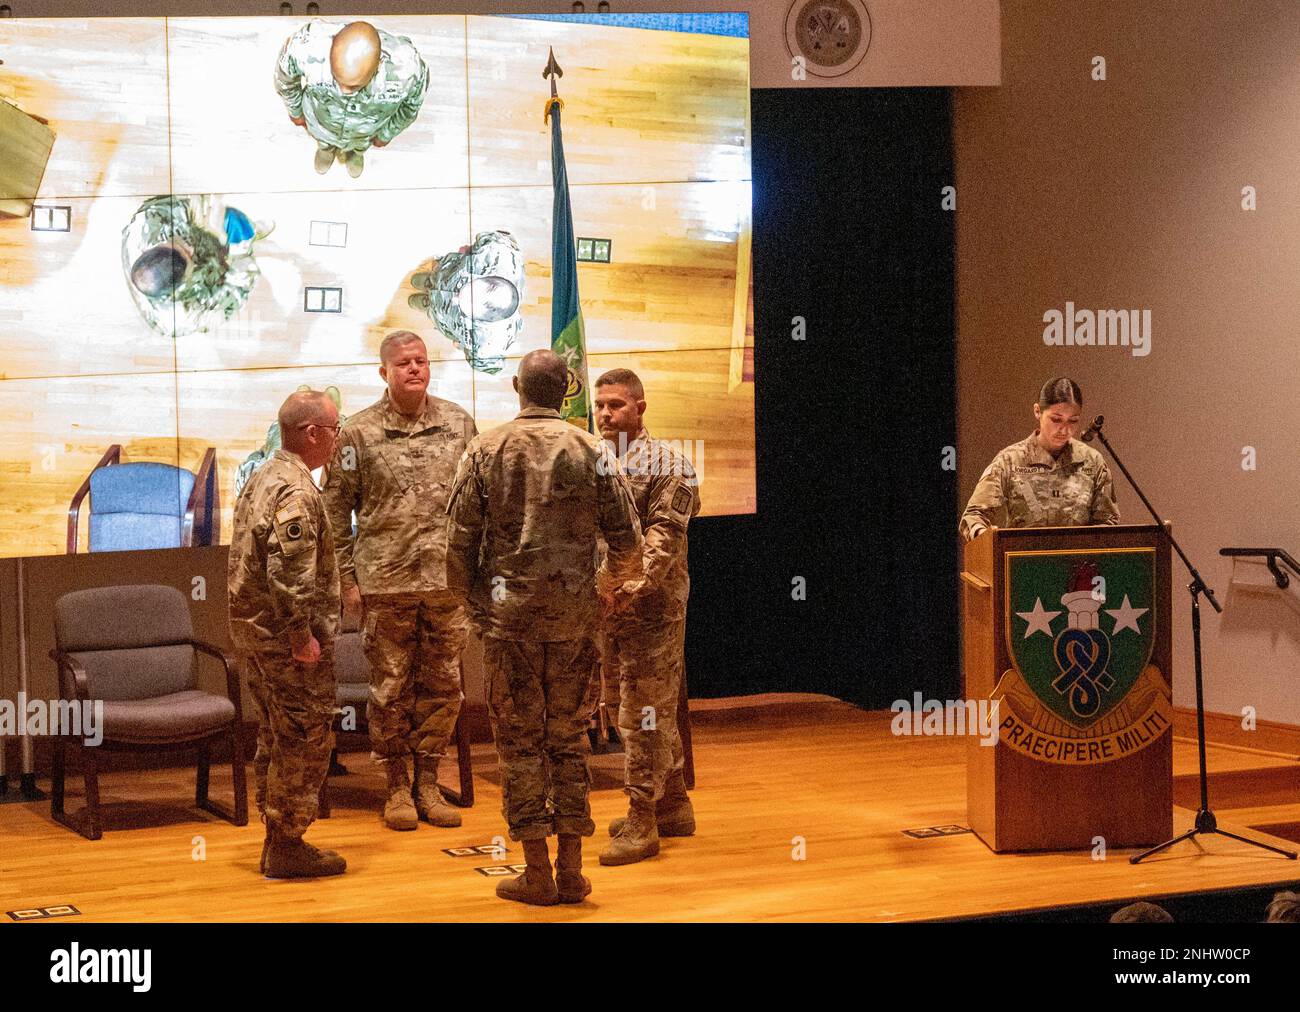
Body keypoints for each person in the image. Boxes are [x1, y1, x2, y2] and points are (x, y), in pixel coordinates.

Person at [445, 349, 643, 905]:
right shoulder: (592, 450)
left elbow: (457, 548)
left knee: (520, 746)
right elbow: (629, 542)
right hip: (575, 624)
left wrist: (477, 609)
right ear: (571, 388)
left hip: (510, 627)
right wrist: (603, 593)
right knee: (569, 742)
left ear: (515, 386)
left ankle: (536, 873)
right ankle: (573, 871)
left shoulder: (485, 449)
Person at [321, 331, 477, 831]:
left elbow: (478, 503)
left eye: (422, 361)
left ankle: (428, 784)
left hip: (446, 584)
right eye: (404, 363)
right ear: (383, 372)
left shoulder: (458, 423)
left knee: (443, 687)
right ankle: (395, 788)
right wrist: (347, 579)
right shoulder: (358, 433)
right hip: (384, 585)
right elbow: (334, 510)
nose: (416, 369)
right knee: (390, 690)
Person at [228, 390, 344, 879]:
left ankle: (277, 837)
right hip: (284, 640)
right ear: (312, 433)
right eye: (335, 431)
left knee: (276, 735)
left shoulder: (262, 477)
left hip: (256, 635)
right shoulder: (294, 489)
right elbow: (289, 571)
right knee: (304, 738)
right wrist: (300, 634)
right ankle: (287, 843)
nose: (338, 441)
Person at [591, 368, 701, 866]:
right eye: (600, 405)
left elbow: (662, 543)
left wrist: (625, 589)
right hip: (609, 611)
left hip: (652, 612)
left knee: (643, 718)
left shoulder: (670, 466)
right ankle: (674, 804)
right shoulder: (594, 464)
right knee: (625, 707)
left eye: (616, 404)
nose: (606, 413)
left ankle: (643, 820)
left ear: (640, 407)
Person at [959, 377, 1120, 542]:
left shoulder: (1092, 461)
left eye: (1073, 421)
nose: (1064, 430)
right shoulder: (1011, 460)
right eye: (1056, 419)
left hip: (1077, 564)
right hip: (1021, 561)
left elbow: (1108, 521)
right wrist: (986, 540)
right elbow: (973, 515)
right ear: (1038, 411)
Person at [275, 19, 428, 178]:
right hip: (321, 124)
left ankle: (356, 153)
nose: (343, 92)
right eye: (337, 79)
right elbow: (285, 81)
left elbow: (410, 109)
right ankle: (325, 149)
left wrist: (387, 134)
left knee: (360, 146)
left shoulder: (407, 70)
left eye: (354, 86)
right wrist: (295, 111)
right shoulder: (305, 46)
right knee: (323, 140)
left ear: (377, 67)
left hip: (365, 133)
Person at [121, 194, 269, 337]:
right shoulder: (186, 314)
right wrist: (240, 250)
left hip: (178, 267)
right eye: (188, 254)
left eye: (178, 244)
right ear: (183, 282)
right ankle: (247, 236)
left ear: (146, 249)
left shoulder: (144, 224)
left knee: (228, 221)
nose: (190, 249)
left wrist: (195, 208)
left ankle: (248, 228)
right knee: (225, 251)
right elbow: (236, 291)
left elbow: (169, 207)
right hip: (196, 294)